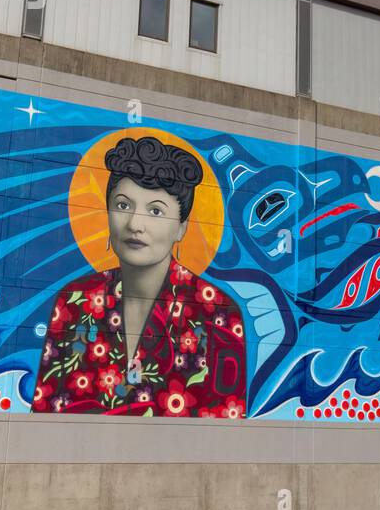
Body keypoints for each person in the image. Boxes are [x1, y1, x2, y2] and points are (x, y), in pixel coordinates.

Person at [32, 136, 245, 417]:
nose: (135, 224)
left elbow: (225, 429)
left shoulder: (216, 312)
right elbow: (45, 412)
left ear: (181, 228)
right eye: (122, 205)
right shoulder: (74, 301)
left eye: (155, 211)